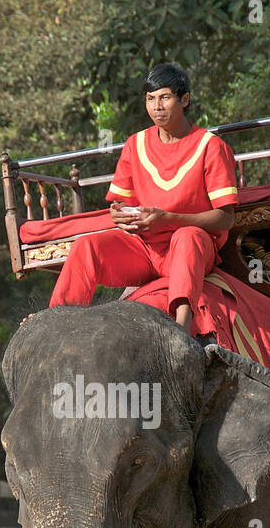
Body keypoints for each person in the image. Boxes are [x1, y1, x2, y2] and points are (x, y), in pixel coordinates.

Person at [48, 62, 239, 332]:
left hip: (189, 249)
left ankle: (182, 325)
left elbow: (226, 218)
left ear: (184, 100)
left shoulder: (211, 146)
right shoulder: (134, 144)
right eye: (150, 99)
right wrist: (119, 214)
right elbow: (121, 203)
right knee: (85, 246)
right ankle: (56, 323)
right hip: (144, 249)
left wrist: (171, 220)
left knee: (187, 236)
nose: (157, 106)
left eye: (165, 97)